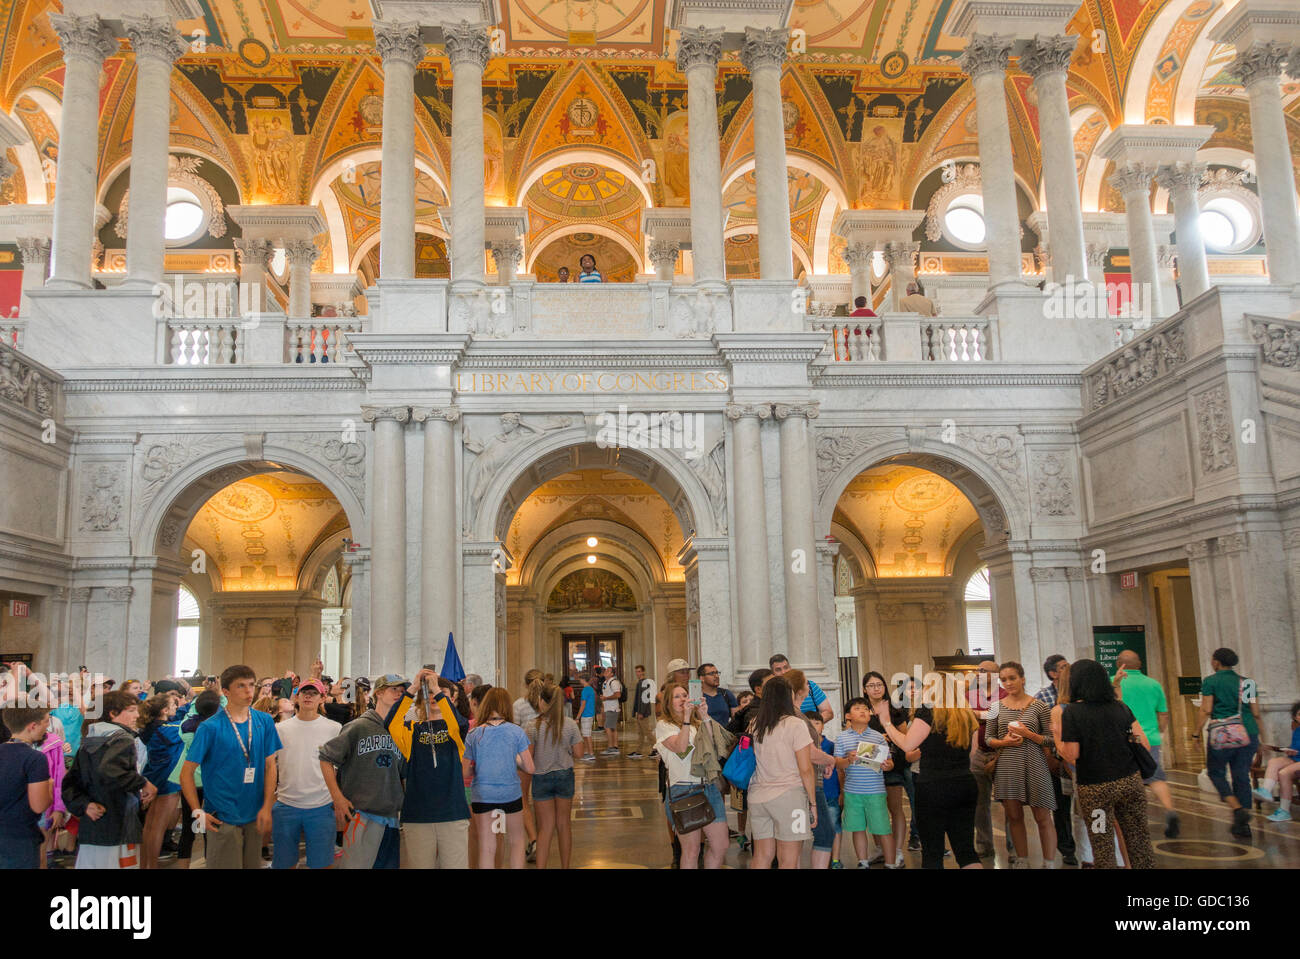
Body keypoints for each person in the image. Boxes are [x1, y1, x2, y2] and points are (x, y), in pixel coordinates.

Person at [1055, 659, 1156, 869]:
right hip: (1129, 783)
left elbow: (1072, 753)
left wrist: (1058, 743)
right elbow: (1143, 743)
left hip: (1095, 789)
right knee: (1138, 839)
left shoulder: (1073, 712)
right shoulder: (1120, 707)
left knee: (1102, 842)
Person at [180, 665, 280, 869]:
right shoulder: (210, 727)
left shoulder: (264, 721)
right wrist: (197, 811)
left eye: (252, 685)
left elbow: (271, 767)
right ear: (226, 691)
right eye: (241, 686)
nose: (248, 691)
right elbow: (186, 773)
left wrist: (267, 806)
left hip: (255, 813)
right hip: (222, 816)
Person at [874, 688, 983, 870]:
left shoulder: (928, 712)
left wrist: (886, 723)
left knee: (933, 851)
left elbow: (908, 744)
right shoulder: (967, 715)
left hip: (933, 786)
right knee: (966, 851)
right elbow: (972, 753)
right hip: (965, 783)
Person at [319, 673, 408, 868]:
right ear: (379, 693)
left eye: (402, 692)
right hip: (362, 814)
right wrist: (338, 798)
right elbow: (326, 757)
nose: (399, 695)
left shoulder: (400, 732)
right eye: (394, 689)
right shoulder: (358, 726)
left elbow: (403, 774)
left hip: (391, 817)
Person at [385, 668, 471, 869]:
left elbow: (459, 725)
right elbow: (391, 723)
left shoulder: (456, 730)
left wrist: (437, 690)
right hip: (418, 814)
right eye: (430, 693)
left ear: (452, 698)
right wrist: (413, 688)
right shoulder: (413, 729)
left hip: (452, 812)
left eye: (441, 693)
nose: (434, 696)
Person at [64, 690, 157, 869]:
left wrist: (84, 805)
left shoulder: (89, 739)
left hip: (93, 829)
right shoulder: (122, 739)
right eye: (130, 710)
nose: (137, 715)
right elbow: (110, 770)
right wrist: (144, 783)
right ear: (112, 713)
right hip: (120, 826)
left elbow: (70, 785)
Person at [985, 661, 1057, 868]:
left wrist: (1029, 735)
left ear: (1022, 679)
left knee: (1043, 816)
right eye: (1004, 679)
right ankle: (1022, 859)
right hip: (1007, 765)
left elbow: (1051, 740)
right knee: (1014, 816)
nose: (1008, 683)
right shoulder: (994, 707)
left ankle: (1049, 862)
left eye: (1012, 678)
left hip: (1035, 764)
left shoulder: (1040, 706)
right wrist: (1004, 742)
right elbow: (988, 739)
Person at [657, 680, 731, 869]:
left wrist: (704, 715)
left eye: (685, 695)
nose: (682, 699)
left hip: (709, 788)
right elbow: (680, 746)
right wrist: (687, 718)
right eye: (677, 696)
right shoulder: (664, 725)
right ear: (668, 702)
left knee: (721, 846)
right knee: (691, 850)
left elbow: (716, 748)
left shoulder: (698, 723)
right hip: (683, 790)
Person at [270, 678, 341, 869]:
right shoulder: (280, 729)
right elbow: (269, 767)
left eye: (314, 693)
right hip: (286, 805)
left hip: (322, 806)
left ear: (322, 698)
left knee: (323, 863)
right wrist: (268, 801)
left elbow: (339, 768)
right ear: (297, 697)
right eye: (305, 692)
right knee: (284, 864)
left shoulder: (334, 729)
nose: (308, 696)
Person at [1110, 650, 1180, 837]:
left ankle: (1133, 820)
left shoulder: (1112, 682)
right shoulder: (1153, 684)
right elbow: (1163, 714)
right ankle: (1170, 810)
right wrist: (1159, 733)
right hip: (1149, 738)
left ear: (1119, 665)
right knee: (1155, 777)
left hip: (1125, 737)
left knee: (1127, 778)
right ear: (1139, 664)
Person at [463, 686, 534, 869]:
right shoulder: (516, 732)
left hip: (483, 795)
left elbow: (465, 772)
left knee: (487, 846)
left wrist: (478, 769)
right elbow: (530, 767)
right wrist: (515, 758)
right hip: (510, 793)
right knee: (517, 842)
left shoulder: (474, 734)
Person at [1198, 646, 1261, 839]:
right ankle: (1244, 825)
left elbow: (1206, 709)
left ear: (1216, 662)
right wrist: (1259, 739)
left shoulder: (1210, 681)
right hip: (1247, 733)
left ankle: (1237, 809)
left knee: (1216, 773)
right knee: (1241, 774)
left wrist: (1194, 734)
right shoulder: (1248, 682)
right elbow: (1256, 712)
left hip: (1223, 735)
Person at [527, 680, 584, 869]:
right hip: (564, 775)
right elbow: (579, 753)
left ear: (542, 702)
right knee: (564, 825)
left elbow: (530, 756)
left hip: (541, 776)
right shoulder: (569, 725)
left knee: (545, 829)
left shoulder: (533, 726)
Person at [835, 697, 895, 868]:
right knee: (857, 828)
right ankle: (862, 861)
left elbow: (890, 763)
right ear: (848, 715)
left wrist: (886, 765)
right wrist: (848, 759)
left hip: (875, 790)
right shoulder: (842, 738)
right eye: (857, 708)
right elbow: (837, 763)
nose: (863, 711)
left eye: (865, 709)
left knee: (883, 828)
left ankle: (891, 863)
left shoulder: (878, 736)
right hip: (853, 791)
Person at [1035, 654, 1080, 864]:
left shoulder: (1079, 693)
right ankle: (1067, 849)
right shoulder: (1043, 697)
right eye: (1063, 667)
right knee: (1061, 809)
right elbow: (1039, 731)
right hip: (1055, 760)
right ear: (1053, 673)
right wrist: (1049, 758)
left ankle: (1091, 850)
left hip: (1080, 759)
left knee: (1086, 808)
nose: (1068, 669)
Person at [170, 689, 220, 869]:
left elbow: (192, 711)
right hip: (210, 780)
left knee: (188, 829)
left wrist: (195, 702)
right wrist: (219, 693)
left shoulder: (186, 727)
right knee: (211, 827)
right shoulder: (217, 728)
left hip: (190, 781)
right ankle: (209, 864)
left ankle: (183, 866)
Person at [863, 671, 909, 866]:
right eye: (871, 685)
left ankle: (897, 850)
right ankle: (881, 848)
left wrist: (889, 735)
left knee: (895, 807)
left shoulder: (895, 708)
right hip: (868, 762)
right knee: (874, 808)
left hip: (892, 761)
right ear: (865, 689)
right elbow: (853, 734)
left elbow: (906, 737)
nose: (876, 688)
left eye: (879, 684)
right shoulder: (861, 709)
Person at [0, 707, 52, 869]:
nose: (47, 727)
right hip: (19, 837)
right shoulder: (34, 758)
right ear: (32, 726)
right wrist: (50, 787)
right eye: (45, 722)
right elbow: (39, 805)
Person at [137, 691, 183, 869]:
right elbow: (188, 723)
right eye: (173, 705)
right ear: (164, 710)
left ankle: (144, 865)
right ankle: (152, 865)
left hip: (152, 776)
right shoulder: (167, 730)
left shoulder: (151, 727)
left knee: (148, 826)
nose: (176, 707)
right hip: (167, 781)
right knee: (158, 827)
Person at [512, 669, 543, 862]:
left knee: (523, 798)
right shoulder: (548, 702)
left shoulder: (518, 705)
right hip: (546, 755)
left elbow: (514, 731)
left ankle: (533, 838)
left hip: (524, 757)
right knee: (542, 799)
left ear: (525, 684)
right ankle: (543, 836)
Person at [1254, 700, 1300, 822]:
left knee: (1284, 773)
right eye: (1299, 714)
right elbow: (1295, 747)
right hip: (1296, 759)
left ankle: (1284, 811)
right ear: (1295, 717)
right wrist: (1290, 750)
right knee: (1274, 762)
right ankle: (1266, 791)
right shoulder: (1297, 730)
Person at [808, 711, 842, 869]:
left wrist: (841, 791)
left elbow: (839, 768)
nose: (814, 726)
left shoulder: (831, 745)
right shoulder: (802, 745)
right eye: (810, 723)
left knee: (834, 826)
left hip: (829, 792)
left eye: (817, 723)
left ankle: (835, 860)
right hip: (810, 793)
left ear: (823, 725)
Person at [769, 654, 833, 722]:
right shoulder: (771, 691)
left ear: (790, 668)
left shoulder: (810, 685)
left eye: (786, 667)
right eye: (778, 670)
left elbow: (828, 712)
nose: (783, 672)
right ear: (772, 673)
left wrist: (811, 725)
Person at [629, 664, 656, 759]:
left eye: (639, 671)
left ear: (643, 672)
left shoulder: (645, 683)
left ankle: (656, 749)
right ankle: (638, 751)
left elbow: (645, 699)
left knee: (647, 732)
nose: (638, 673)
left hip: (643, 712)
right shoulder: (640, 682)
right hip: (640, 712)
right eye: (636, 671)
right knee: (640, 733)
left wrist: (641, 712)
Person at [601, 667, 622, 754]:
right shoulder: (606, 682)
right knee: (612, 727)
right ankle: (615, 747)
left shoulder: (614, 682)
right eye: (606, 670)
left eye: (608, 671)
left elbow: (618, 695)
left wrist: (606, 698)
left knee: (608, 727)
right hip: (608, 708)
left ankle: (611, 747)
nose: (606, 671)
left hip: (612, 708)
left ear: (612, 674)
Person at [577, 673, 597, 761]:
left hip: (586, 714)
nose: (579, 681)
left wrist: (577, 717)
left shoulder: (585, 690)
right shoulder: (590, 689)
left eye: (580, 679)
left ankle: (591, 753)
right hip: (589, 714)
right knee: (585, 734)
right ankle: (587, 751)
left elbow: (583, 704)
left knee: (587, 734)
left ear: (583, 680)